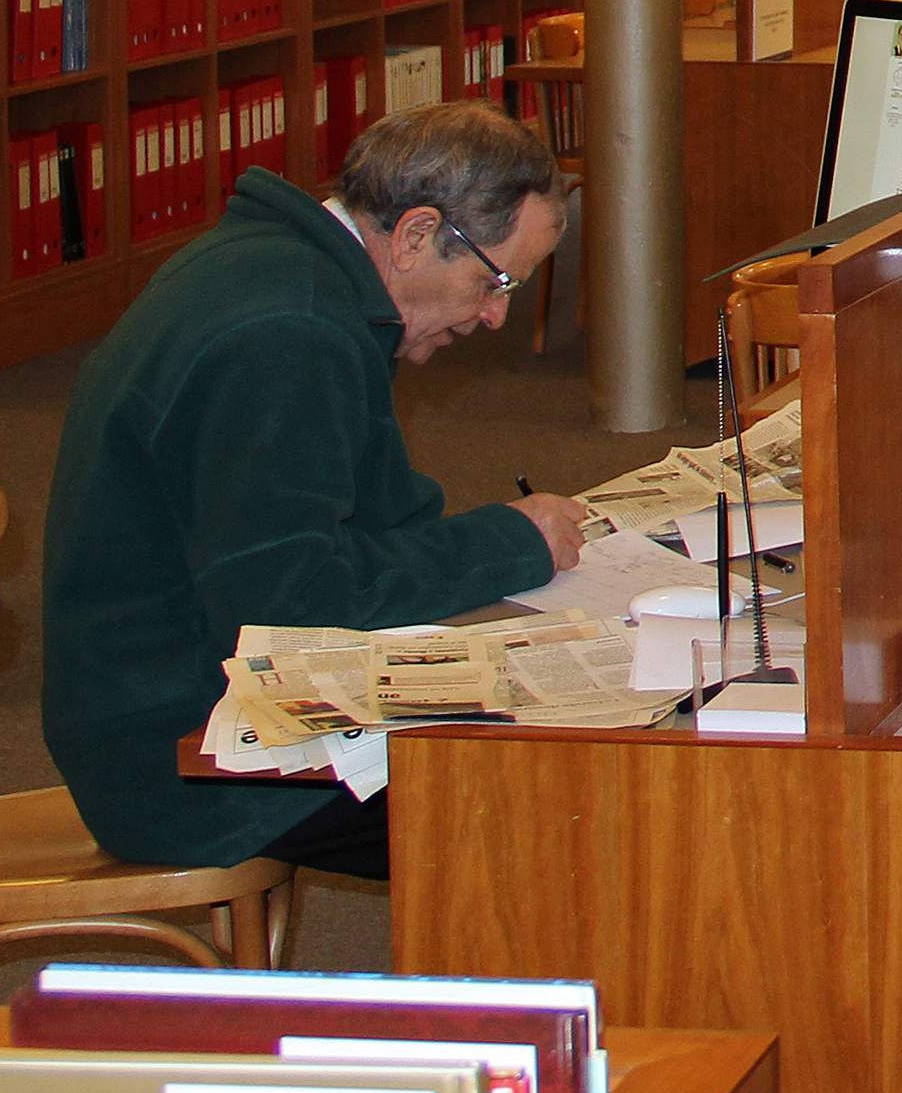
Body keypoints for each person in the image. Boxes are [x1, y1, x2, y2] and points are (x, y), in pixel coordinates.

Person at [40, 103, 595, 880]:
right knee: (571, 802)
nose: (495, 314)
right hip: (180, 756)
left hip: (189, 693)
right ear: (413, 235)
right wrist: (508, 543)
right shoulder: (289, 330)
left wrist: (494, 549)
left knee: (559, 740)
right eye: (492, 278)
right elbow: (293, 609)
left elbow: (371, 520)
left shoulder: (288, 274)